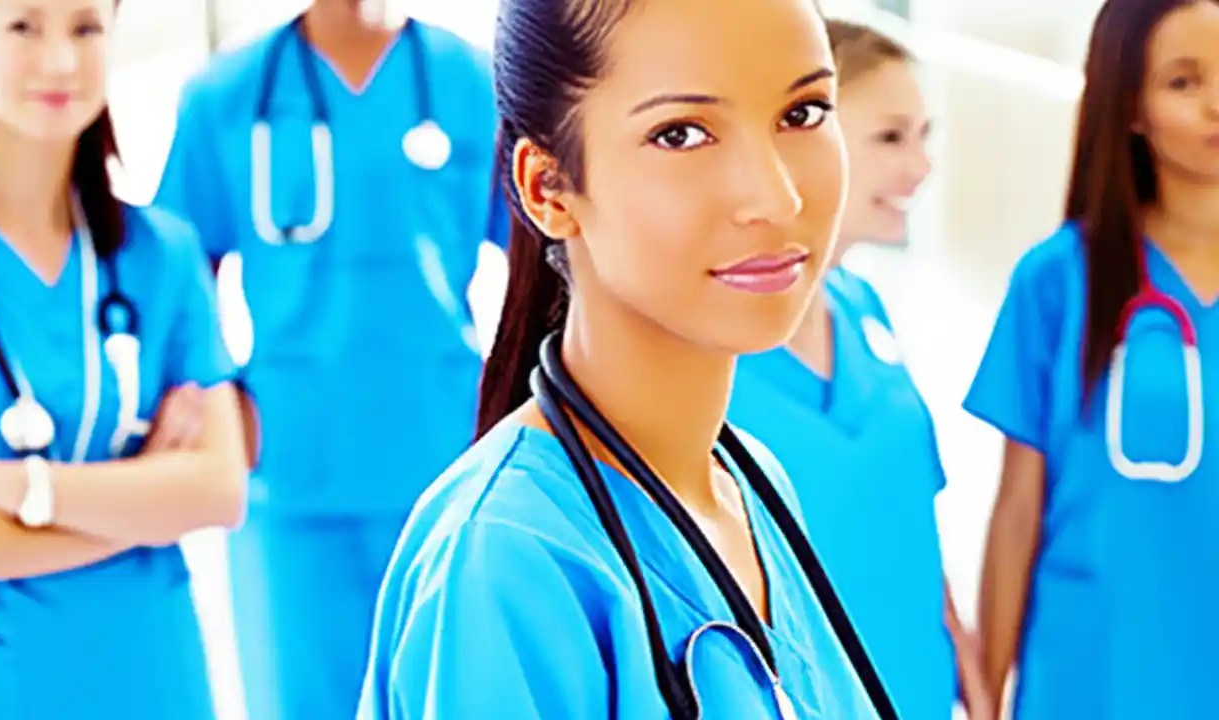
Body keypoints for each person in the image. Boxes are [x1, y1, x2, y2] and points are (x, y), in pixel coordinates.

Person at [357, 0, 904, 717]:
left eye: (802, 113)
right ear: (546, 188)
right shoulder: (506, 559)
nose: (776, 195)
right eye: (682, 134)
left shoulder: (754, 487)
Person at [153, 0, 507, 717]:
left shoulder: (474, 86)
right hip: (292, 486)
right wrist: (223, 398)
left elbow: (551, 260)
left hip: (447, 469)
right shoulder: (227, 97)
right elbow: (172, 281)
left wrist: (516, 396)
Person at [0, 0, 248, 718]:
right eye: (24, 26)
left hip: (151, 672)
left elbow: (219, 489)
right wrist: (141, 500)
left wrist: (12, 488)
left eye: (84, 28)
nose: (59, 61)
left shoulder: (162, 255)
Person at [728, 19, 992, 720]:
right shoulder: (718, 338)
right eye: (891, 137)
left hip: (912, 685)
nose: (922, 167)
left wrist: (961, 648)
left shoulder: (864, 309)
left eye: (925, 136)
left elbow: (908, 506)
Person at [968, 1, 1219, 717]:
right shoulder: (1058, 279)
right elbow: (1018, 508)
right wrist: (986, 690)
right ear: (1130, 108)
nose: (1217, 104)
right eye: (1183, 82)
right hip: (1095, 667)